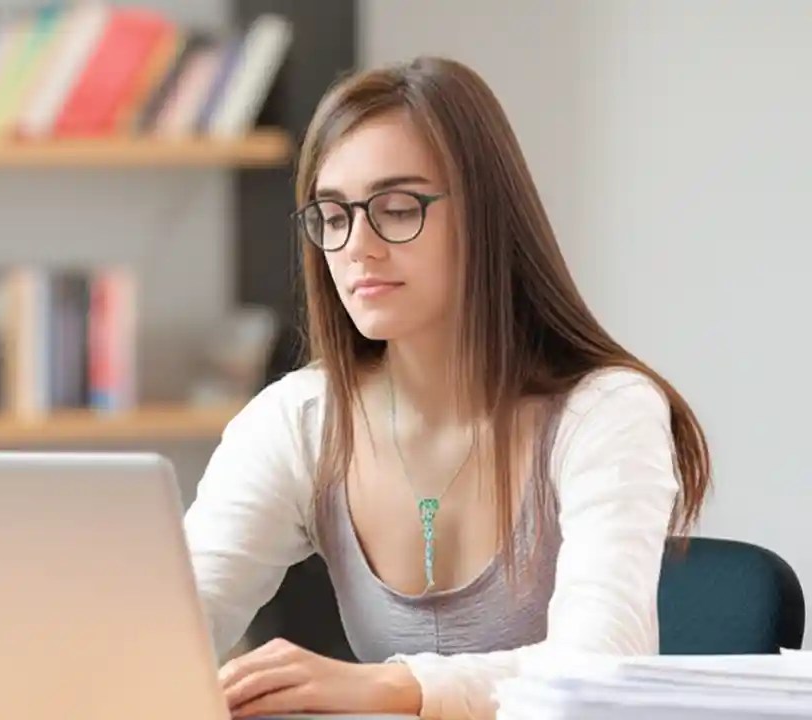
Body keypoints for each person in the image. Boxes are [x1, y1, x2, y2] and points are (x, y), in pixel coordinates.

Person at [182, 56, 711, 720]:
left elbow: (599, 667)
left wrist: (391, 686)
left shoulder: (606, 413)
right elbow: (165, 629)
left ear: (487, 216)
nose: (358, 247)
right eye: (333, 215)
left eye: (398, 208)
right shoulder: (301, 420)